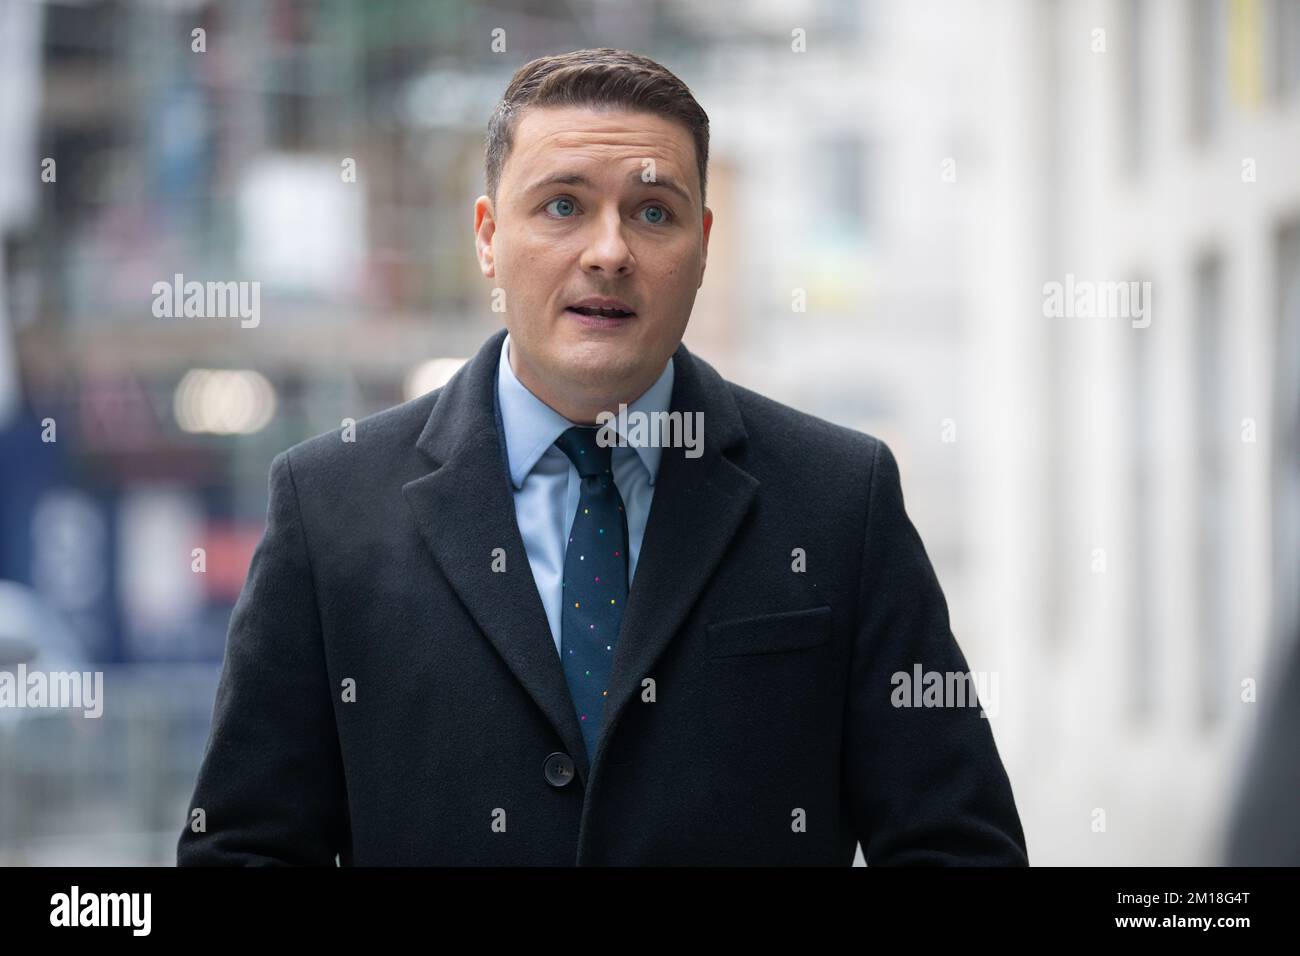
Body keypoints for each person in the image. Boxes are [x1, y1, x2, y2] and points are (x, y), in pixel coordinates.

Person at [178, 48, 1027, 866]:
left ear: (702, 243)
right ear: (487, 237)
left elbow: (957, 844)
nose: (609, 251)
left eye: (653, 213)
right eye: (561, 206)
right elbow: (245, 848)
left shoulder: (842, 498)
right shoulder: (330, 505)